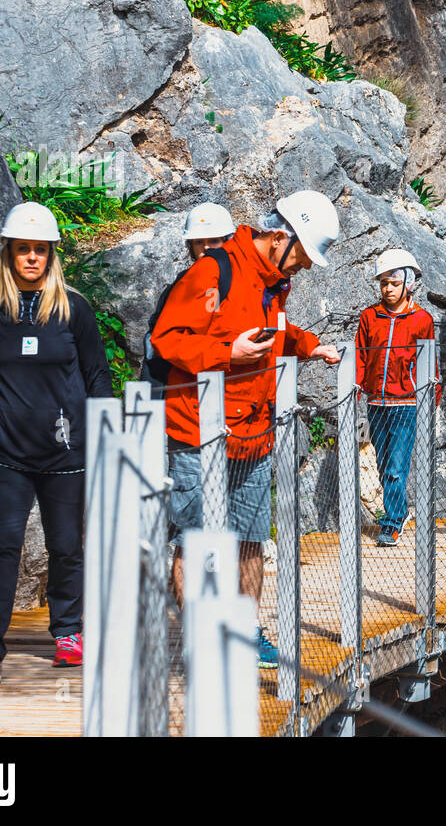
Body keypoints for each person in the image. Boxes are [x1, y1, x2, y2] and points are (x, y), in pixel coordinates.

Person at [151, 190, 342, 667]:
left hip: (254, 433)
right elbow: (168, 339)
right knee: (194, 539)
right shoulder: (213, 271)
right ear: (280, 236)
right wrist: (225, 355)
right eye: (302, 255)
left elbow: (274, 332)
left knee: (251, 538)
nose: (303, 267)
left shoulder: (275, 282)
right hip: (199, 430)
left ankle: (246, 631)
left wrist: (309, 345)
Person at [0, 202, 113, 684]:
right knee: (2, 547)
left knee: (65, 548)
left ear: (51, 255)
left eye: (41, 250)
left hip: (67, 453)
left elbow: (98, 375)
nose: (32, 258)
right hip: (4, 456)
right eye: (24, 250)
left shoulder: (74, 310)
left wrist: (107, 435)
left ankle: (68, 633)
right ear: (9, 254)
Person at [356, 248, 440, 547]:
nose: (387, 288)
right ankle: (401, 510)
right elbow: (360, 356)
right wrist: (357, 386)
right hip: (376, 402)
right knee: (383, 464)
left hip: (406, 403)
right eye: (383, 283)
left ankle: (390, 523)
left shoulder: (422, 320)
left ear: (408, 283)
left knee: (395, 468)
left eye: (392, 282)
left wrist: (432, 400)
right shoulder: (369, 316)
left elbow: (430, 363)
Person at [142, 202, 237, 388]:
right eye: (199, 242)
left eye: (214, 240)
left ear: (228, 242)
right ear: (191, 246)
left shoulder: (235, 279)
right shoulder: (185, 282)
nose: (206, 248)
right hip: (191, 374)